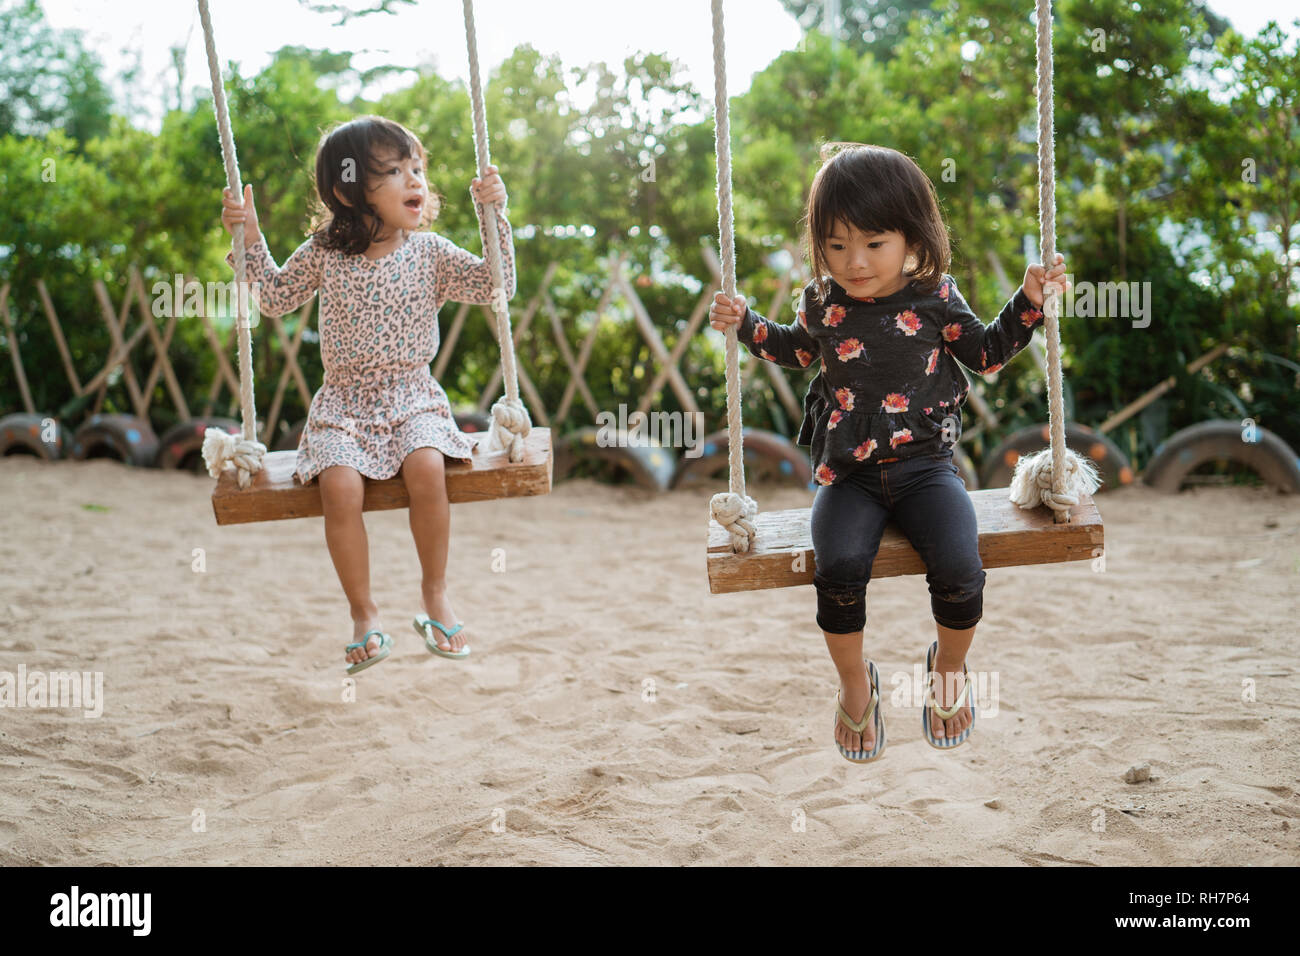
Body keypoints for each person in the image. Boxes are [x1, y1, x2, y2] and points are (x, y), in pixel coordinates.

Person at [708, 143, 1068, 762]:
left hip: (927, 469)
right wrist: (745, 323)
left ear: (912, 238)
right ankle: (855, 684)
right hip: (846, 474)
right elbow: (796, 350)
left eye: (874, 244)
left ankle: (949, 670)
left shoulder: (934, 296)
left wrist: (1030, 301)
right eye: (838, 244)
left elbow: (984, 353)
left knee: (959, 564)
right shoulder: (823, 301)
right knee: (838, 568)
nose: (855, 261)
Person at [220, 115, 515, 673]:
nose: (415, 181)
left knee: (428, 467)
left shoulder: (429, 253)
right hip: (344, 404)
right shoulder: (326, 253)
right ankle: (364, 613)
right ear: (348, 189)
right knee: (339, 487)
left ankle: (435, 594)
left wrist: (493, 214)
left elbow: (494, 285)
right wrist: (251, 239)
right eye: (395, 171)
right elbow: (275, 298)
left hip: (413, 396)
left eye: (417, 169)